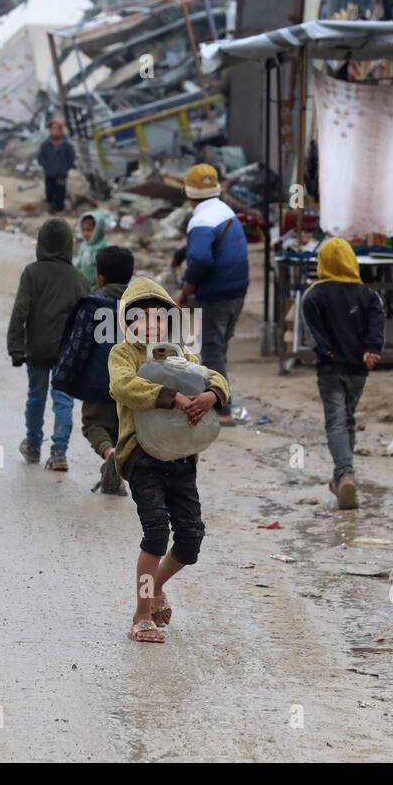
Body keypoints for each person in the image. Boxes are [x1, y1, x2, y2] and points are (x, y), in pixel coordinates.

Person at [109, 277, 229, 643]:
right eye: (140, 318)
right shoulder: (123, 354)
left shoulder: (181, 356)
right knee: (157, 532)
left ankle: (156, 587)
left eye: (158, 317)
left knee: (191, 539)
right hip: (141, 456)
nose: (150, 324)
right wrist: (171, 396)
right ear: (128, 323)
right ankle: (141, 615)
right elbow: (123, 386)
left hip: (180, 457)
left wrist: (211, 395)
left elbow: (214, 376)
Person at [300, 237, 385, 509]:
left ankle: (344, 473)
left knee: (336, 421)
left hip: (330, 369)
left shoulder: (314, 294)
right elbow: (378, 318)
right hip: (359, 370)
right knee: (347, 418)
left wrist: (325, 351)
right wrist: (371, 348)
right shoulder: (368, 295)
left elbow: (313, 332)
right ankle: (342, 476)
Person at [8, 216, 90, 471]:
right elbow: (86, 319)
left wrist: (15, 347)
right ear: (69, 244)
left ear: (41, 242)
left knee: (36, 397)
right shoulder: (79, 279)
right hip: (68, 353)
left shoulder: (32, 273)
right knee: (63, 400)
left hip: (37, 349)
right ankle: (58, 453)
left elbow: (20, 311)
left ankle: (33, 447)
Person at [178, 163, 248, 425]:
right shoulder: (225, 211)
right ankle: (213, 396)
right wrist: (178, 256)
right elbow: (201, 249)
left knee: (212, 350)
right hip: (237, 293)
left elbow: (200, 261)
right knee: (219, 347)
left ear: (189, 193)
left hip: (216, 296)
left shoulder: (200, 220)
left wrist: (185, 291)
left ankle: (224, 410)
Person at [79, 245, 134, 495]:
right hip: (131, 382)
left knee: (93, 424)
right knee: (124, 427)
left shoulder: (92, 304)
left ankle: (109, 453)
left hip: (98, 380)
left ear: (99, 277)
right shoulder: (140, 308)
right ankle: (118, 470)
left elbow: (78, 343)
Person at [38, 118, 76, 212]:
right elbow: (41, 157)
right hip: (49, 173)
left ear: (61, 131)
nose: (54, 131)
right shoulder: (46, 144)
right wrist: (46, 166)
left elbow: (71, 158)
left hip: (61, 174)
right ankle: (50, 207)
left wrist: (66, 168)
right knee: (50, 191)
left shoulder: (66, 145)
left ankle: (59, 210)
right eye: (52, 129)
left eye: (57, 129)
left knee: (60, 192)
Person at [73, 210, 109, 285]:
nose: (85, 233)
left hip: (97, 286)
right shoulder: (84, 245)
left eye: (89, 230)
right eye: (83, 230)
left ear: (98, 229)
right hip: (83, 283)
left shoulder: (103, 246)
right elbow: (79, 262)